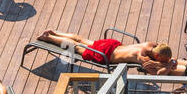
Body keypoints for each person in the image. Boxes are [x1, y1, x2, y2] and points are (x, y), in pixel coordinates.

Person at [33, 30, 171, 67]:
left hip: (112, 44)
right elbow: (155, 68)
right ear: (157, 56)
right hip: (104, 55)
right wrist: (170, 64)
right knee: (76, 47)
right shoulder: (142, 57)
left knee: (81, 39)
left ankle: (55, 32)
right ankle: (49, 38)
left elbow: (161, 53)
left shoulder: (152, 44)